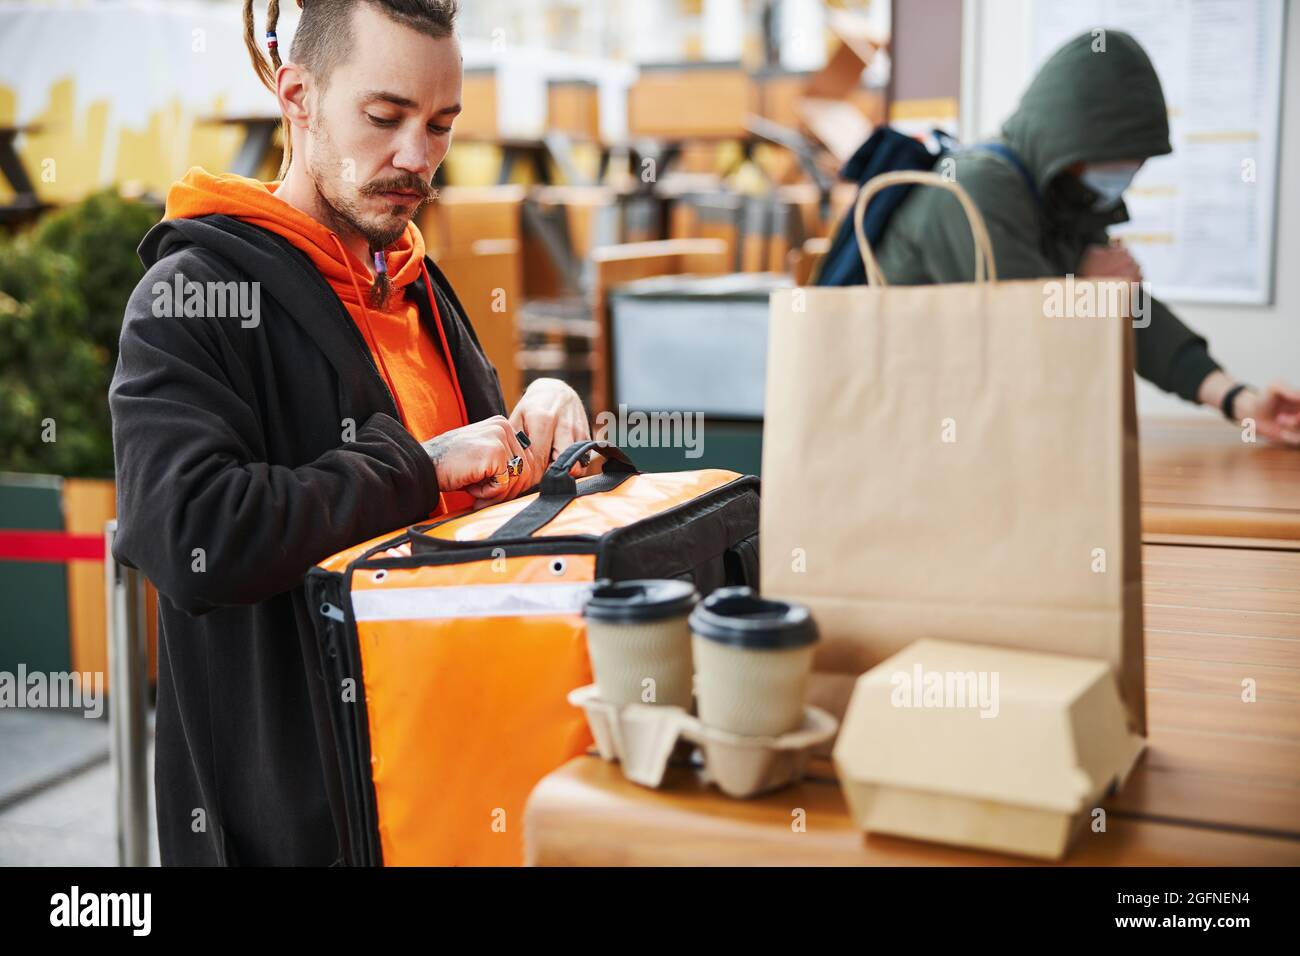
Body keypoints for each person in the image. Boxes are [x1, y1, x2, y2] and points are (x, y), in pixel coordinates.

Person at [109, 0, 590, 865]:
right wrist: (414, 466)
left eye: (441, 124)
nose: (418, 157)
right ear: (298, 94)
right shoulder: (192, 297)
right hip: (303, 831)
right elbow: (190, 532)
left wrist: (536, 427)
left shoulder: (419, 286)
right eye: (385, 116)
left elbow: (459, 493)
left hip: (453, 797)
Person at [872, 30, 1300, 447]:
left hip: (977, 435)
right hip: (908, 436)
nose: (1128, 171)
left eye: (1137, 160)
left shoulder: (1064, 190)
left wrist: (1238, 400)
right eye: (1118, 156)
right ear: (1072, 140)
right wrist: (1084, 294)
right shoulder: (974, 189)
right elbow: (1025, 345)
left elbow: (1134, 316)